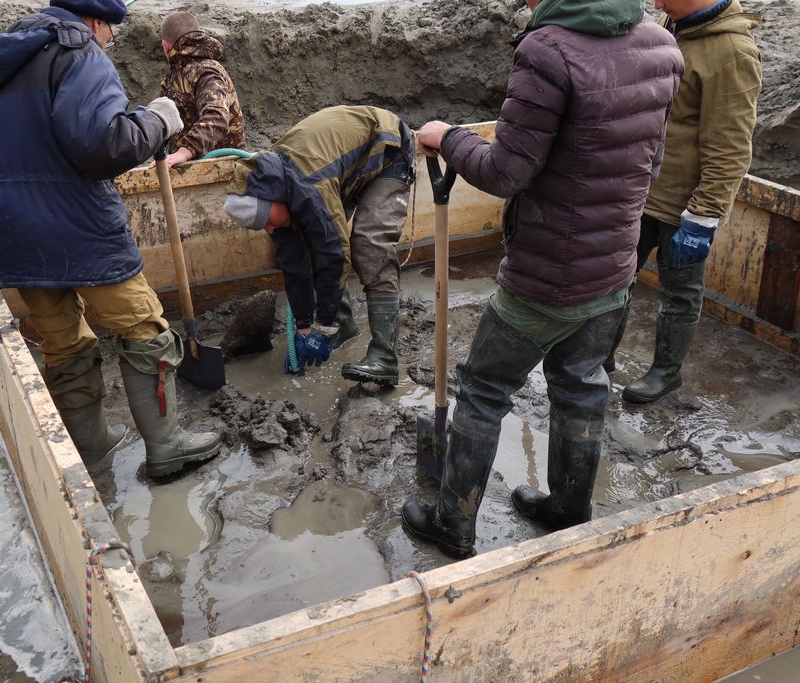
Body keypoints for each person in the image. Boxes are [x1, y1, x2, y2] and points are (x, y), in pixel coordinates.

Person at [401, 0, 684, 558]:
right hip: (613, 267)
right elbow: (649, 162)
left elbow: (507, 171)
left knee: (483, 390)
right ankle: (567, 510)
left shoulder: (547, 50)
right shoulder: (659, 44)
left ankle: (453, 525)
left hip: (547, 275)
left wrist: (448, 136)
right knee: (581, 389)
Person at [0, 0, 222, 479]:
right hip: (81, 231)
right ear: (95, 20)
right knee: (143, 328)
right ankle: (168, 448)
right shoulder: (81, 55)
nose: (110, 40)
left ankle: (91, 453)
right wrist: (158, 120)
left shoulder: (0, 67)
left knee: (64, 343)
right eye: (110, 31)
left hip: (16, 236)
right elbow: (104, 146)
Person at [610, 0, 762, 404]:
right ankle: (599, 356)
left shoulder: (732, 53)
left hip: (683, 204)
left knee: (679, 292)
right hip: (641, 189)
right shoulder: (670, 25)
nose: (656, 3)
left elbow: (730, 147)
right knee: (614, 281)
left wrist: (704, 217)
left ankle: (665, 372)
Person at [222, 105, 415, 386]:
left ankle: (384, 357)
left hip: (387, 151)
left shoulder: (309, 187)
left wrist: (322, 327)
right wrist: (302, 327)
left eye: (268, 221)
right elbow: (294, 264)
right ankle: (344, 326)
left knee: (368, 246)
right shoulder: (277, 188)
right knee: (310, 245)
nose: (269, 228)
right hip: (344, 163)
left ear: (274, 200)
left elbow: (334, 254)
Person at [155, 11, 247, 168]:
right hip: (192, 164)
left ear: (166, 46)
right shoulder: (176, 73)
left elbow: (217, 117)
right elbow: (159, 114)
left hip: (222, 167)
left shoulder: (206, 72)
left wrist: (183, 152)